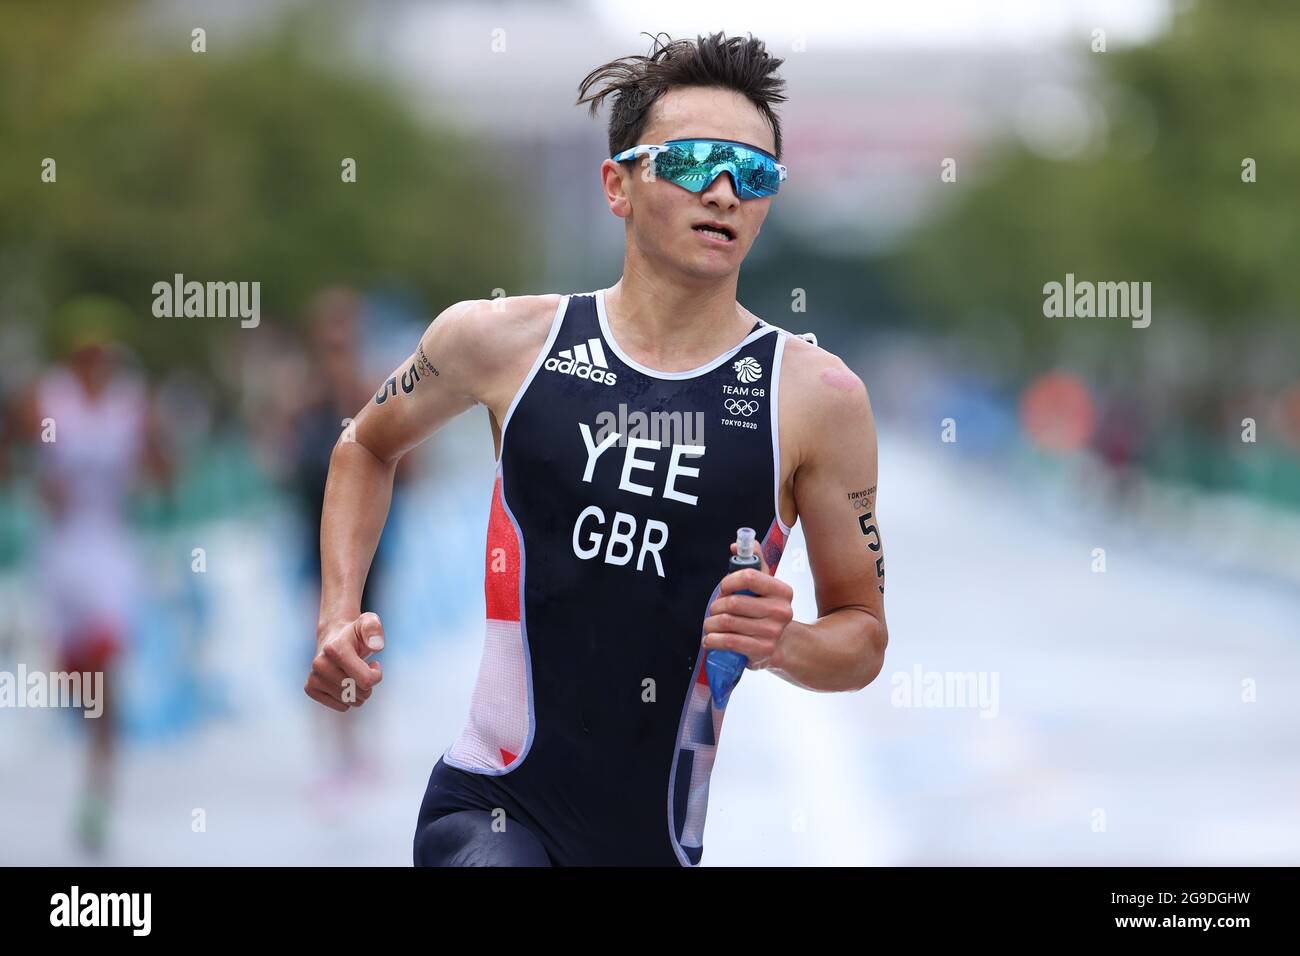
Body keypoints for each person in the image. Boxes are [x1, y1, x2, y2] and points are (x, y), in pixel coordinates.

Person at [306, 31, 889, 866]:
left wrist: (782, 643)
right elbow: (364, 443)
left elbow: (863, 636)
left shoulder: (817, 397)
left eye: (754, 173)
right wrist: (337, 613)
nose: (725, 191)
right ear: (618, 184)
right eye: (692, 162)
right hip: (492, 806)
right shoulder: (500, 341)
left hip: (653, 844)